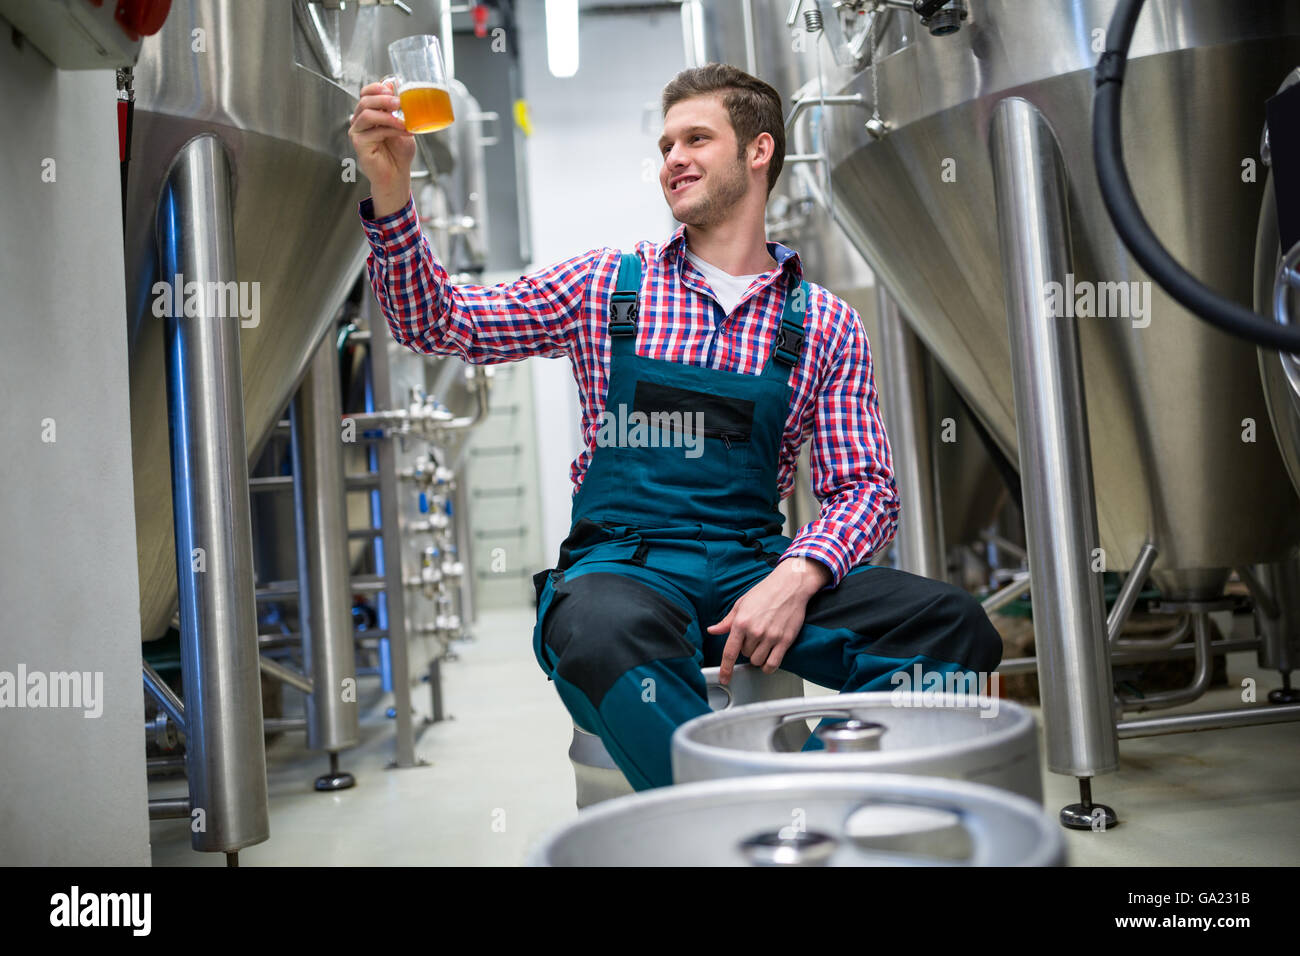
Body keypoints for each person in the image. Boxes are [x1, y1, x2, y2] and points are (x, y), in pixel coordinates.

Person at [348, 63, 1002, 790]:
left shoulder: (823, 322)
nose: (673, 160)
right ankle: (740, 819)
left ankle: (812, 794)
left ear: (759, 152)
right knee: (598, 636)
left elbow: (865, 488)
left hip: (756, 567)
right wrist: (393, 191)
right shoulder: (606, 285)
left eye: (696, 139)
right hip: (625, 568)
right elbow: (438, 320)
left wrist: (799, 573)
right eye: (665, 147)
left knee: (953, 627)